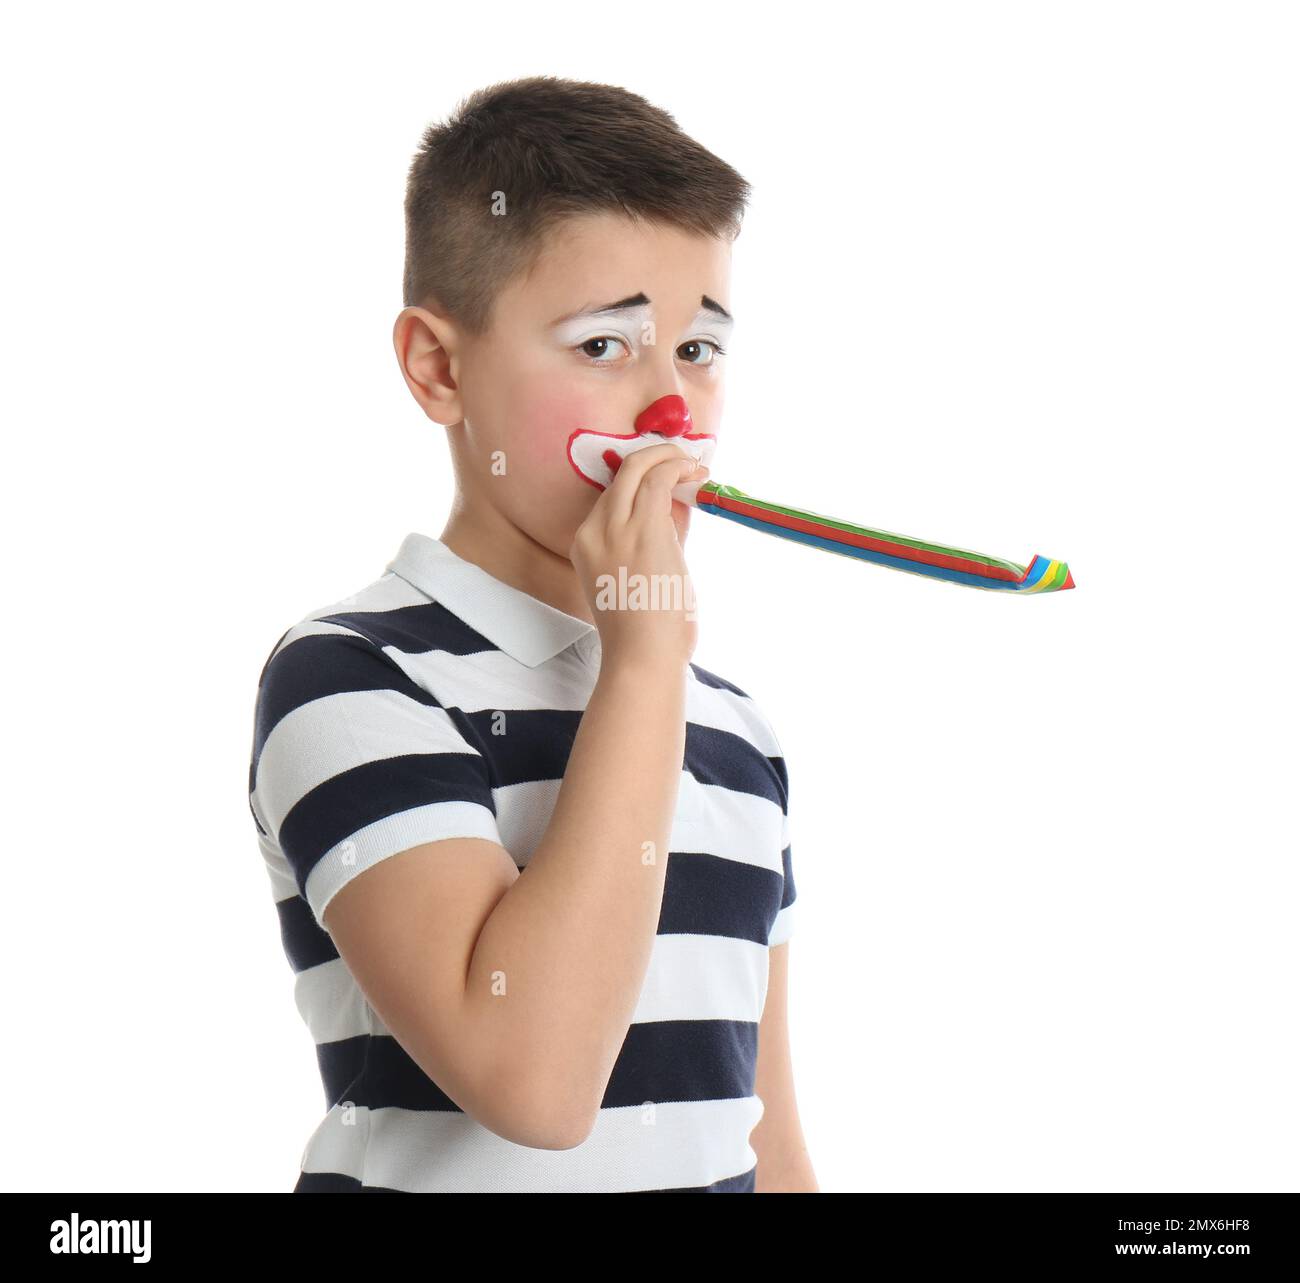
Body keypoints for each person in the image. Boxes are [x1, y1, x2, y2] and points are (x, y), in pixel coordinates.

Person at [248, 75, 816, 1193]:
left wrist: (658, 671)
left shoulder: (733, 729)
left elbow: (761, 1129)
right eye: (604, 346)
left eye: (697, 350)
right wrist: (645, 659)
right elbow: (536, 1083)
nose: (670, 410)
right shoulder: (351, 679)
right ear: (440, 366)